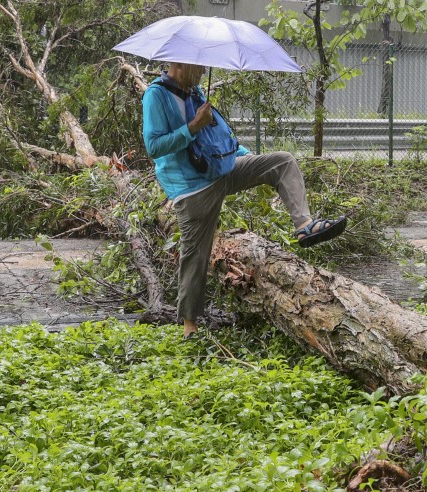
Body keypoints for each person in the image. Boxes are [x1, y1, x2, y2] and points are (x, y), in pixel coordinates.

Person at [141, 61, 346, 338]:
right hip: (192, 188)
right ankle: (189, 327)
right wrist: (193, 126)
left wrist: (245, 156)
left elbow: (217, 137)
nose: (203, 71)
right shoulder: (156, 95)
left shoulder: (195, 91)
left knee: (282, 162)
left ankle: (304, 225)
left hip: (221, 169)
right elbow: (154, 146)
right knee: (195, 255)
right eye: (199, 66)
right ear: (180, 62)